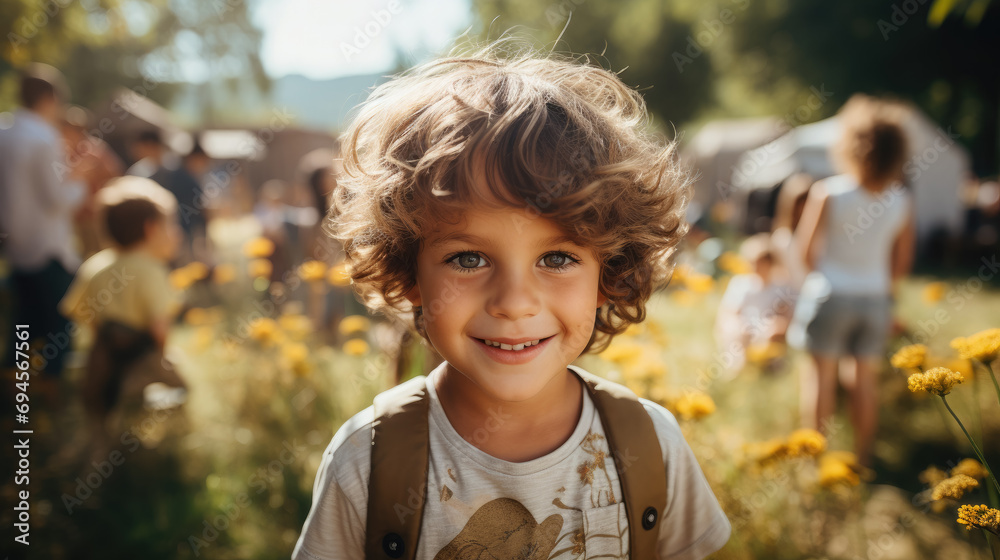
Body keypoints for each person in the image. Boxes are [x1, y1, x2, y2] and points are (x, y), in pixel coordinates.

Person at [293, 39, 731, 559]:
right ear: (409, 270)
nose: (514, 302)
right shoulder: (365, 463)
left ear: (608, 272)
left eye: (557, 259)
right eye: (469, 259)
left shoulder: (650, 445)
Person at [787, 94, 916, 468]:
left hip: (830, 294)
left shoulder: (828, 192)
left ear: (851, 144)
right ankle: (862, 459)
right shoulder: (902, 200)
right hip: (875, 300)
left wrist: (823, 275)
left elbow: (804, 252)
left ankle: (815, 463)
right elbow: (901, 263)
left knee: (820, 381)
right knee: (864, 382)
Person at [59, 176, 188, 457]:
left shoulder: (95, 266)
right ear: (151, 229)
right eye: (172, 225)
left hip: (101, 360)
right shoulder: (151, 271)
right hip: (142, 362)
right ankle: (168, 453)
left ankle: (99, 461)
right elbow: (159, 327)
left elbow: (84, 317)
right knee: (180, 391)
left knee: (101, 419)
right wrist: (162, 358)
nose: (177, 233)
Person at [0, 63, 86, 405]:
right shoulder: (44, 136)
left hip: (15, 247)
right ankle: (50, 396)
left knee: (22, 325)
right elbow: (55, 200)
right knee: (61, 327)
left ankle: (13, 395)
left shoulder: (4, 131)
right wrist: (81, 182)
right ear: (50, 98)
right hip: (49, 249)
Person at [714, 233, 795, 375]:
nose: (755, 267)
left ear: (770, 263)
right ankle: (740, 369)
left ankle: (767, 366)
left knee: (773, 334)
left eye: (760, 262)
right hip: (745, 327)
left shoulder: (781, 287)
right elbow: (729, 312)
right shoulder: (740, 284)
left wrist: (776, 325)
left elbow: (784, 315)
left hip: (767, 328)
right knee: (738, 332)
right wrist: (739, 325)